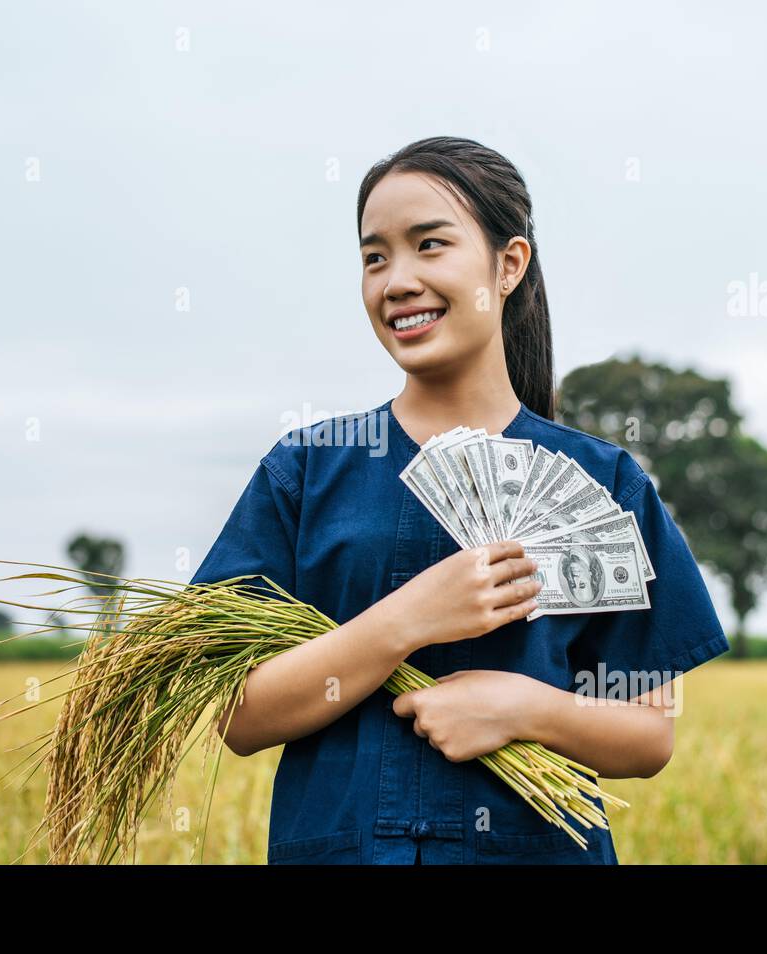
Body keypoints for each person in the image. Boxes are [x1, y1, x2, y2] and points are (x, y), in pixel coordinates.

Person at [189, 136, 730, 864]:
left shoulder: (602, 481)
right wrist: (405, 620)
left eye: (429, 245)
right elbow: (238, 714)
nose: (396, 280)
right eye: (374, 257)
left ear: (508, 265)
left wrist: (520, 707)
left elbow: (649, 735)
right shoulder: (306, 471)